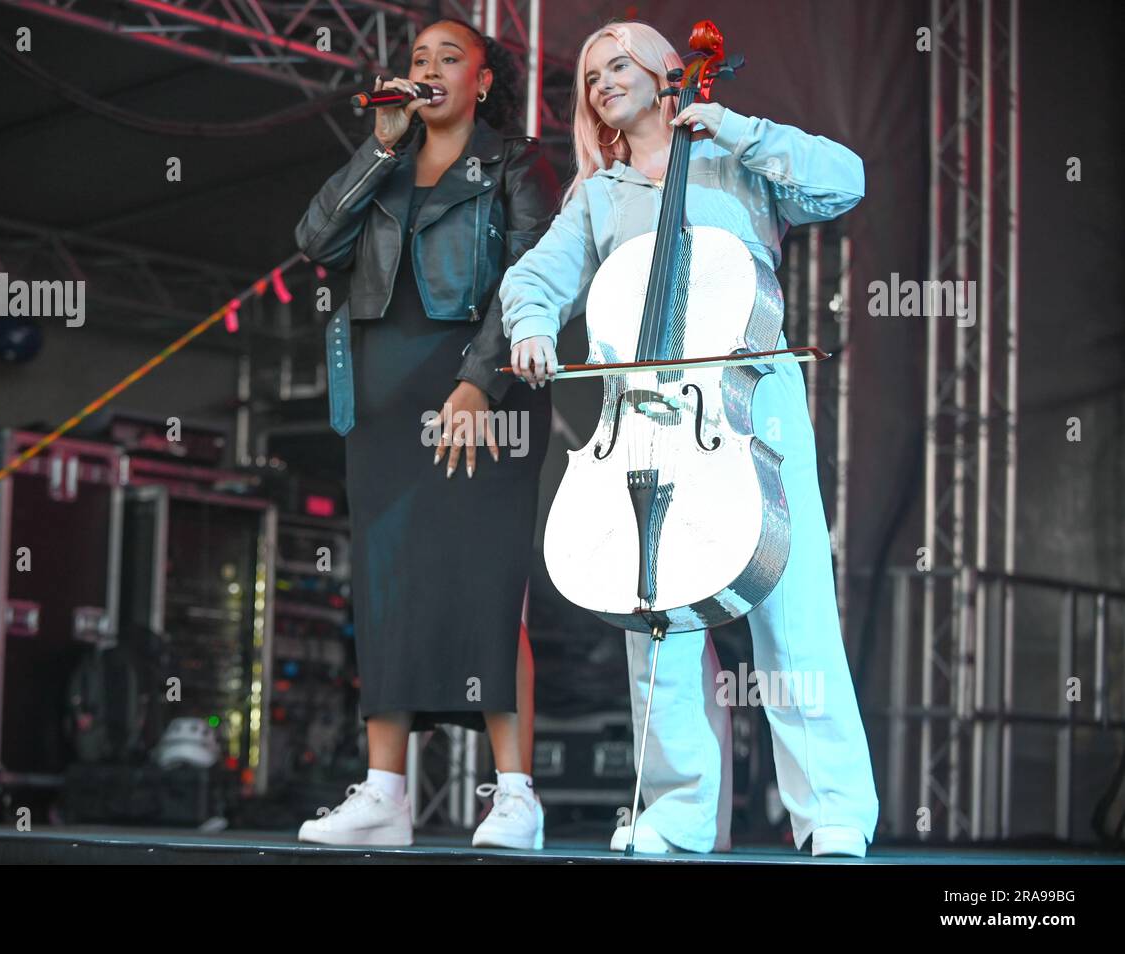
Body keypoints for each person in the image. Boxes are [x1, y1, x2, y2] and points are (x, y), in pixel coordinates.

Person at [499, 21, 879, 857]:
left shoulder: (734, 155)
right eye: (591, 74)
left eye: (618, 64)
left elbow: (842, 182)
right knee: (655, 617)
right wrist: (530, 324)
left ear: (672, 70)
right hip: (642, 420)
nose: (600, 81)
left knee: (791, 605)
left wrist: (737, 126)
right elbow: (536, 277)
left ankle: (834, 812)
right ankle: (676, 811)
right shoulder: (597, 196)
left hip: (751, 403)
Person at [294, 19, 560, 849]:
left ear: (483, 80)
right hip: (382, 392)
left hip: (484, 386)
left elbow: (529, 280)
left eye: (450, 57)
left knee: (486, 585)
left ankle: (515, 794)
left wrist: (480, 381)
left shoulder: (517, 161)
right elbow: (314, 240)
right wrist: (378, 146)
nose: (430, 69)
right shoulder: (389, 160)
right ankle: (384, 796)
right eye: (418, 58)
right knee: (387, 585)